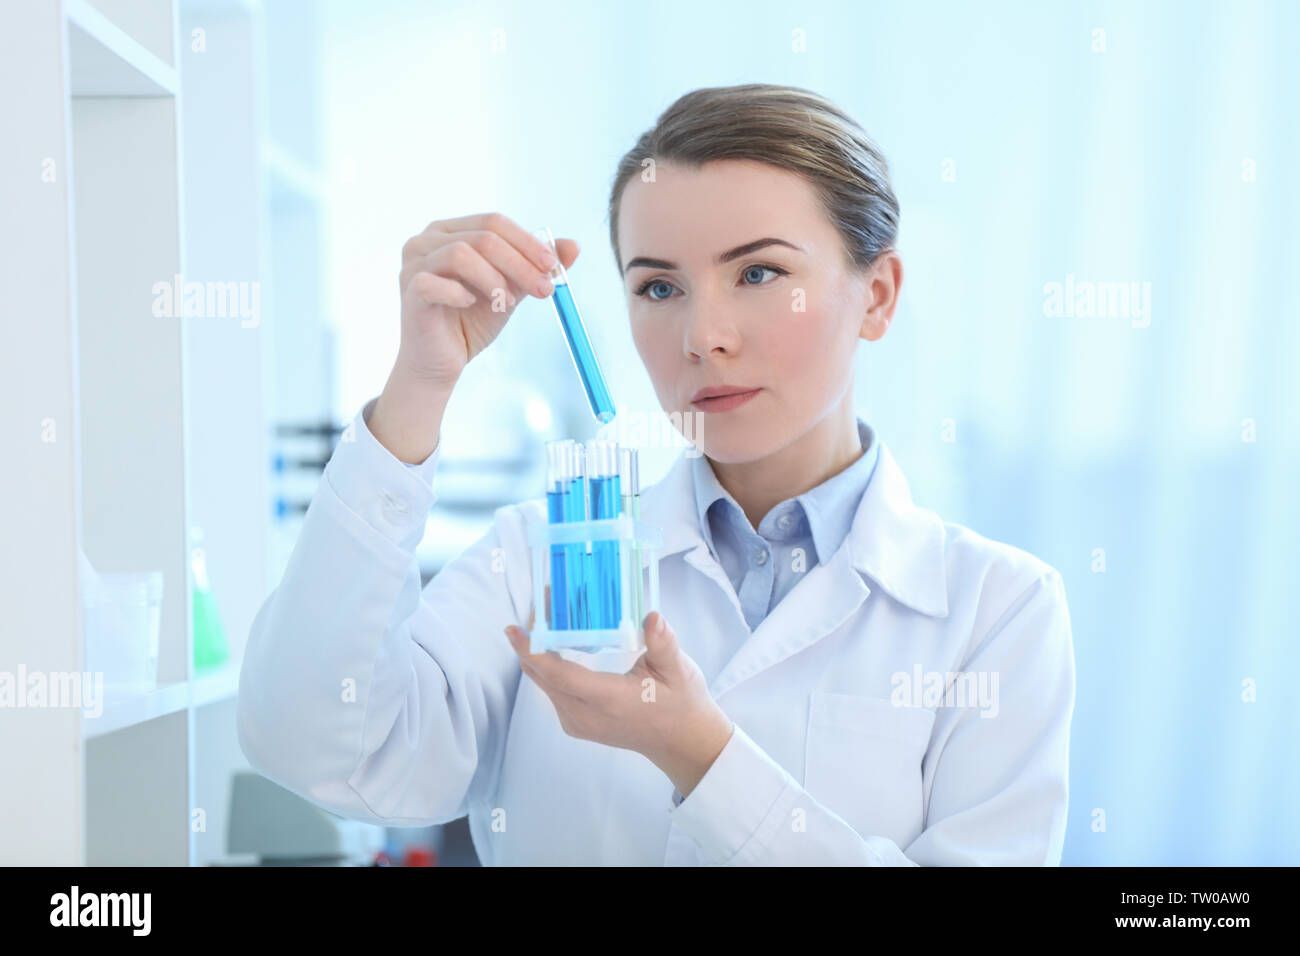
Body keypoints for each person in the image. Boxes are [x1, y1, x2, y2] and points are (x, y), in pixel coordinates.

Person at [237, 83, 1076, 866]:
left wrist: (698, 753)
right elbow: (310, 742)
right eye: (660, 286)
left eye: (758, 273)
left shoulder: (997, 611)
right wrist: (417, 388)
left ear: (879, 295)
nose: (702, 336)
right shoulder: (537, 556)